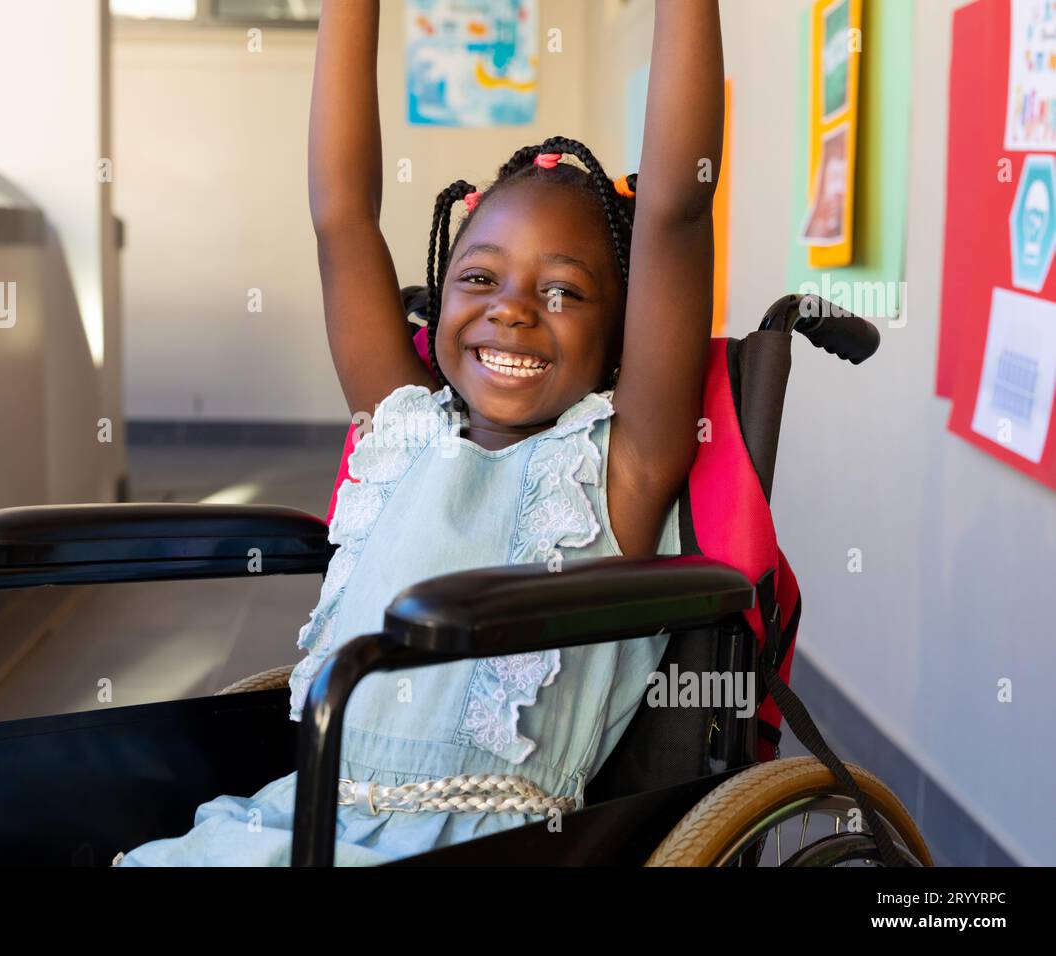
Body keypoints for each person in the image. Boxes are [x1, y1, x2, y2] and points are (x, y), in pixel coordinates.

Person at [117, 0, 723, 866]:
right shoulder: (401, 426)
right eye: (479, 277)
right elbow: (342, 215)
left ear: (624, 336)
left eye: (564, 291)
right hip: (303, 823)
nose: (512, 308)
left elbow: (675, 211)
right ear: (439, 297)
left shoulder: (613, 474)